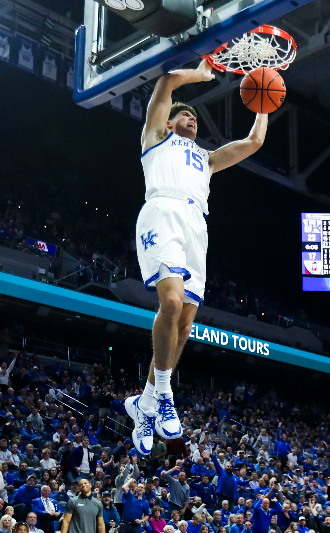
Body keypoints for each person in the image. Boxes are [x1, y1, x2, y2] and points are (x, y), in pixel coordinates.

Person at [125, 58, 269, 449]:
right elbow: (167, 83)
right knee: (169, 302)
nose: (191, 118)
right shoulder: (156, 137)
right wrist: (202, 76)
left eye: (194, 116)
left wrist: (264, 105)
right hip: (162, 212)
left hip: (196, 224)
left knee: (185, 322)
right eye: (184, 114)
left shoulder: (205, 159)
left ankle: (146, 403)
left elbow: (253, 143)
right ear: (170, 122)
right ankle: (164, 395)